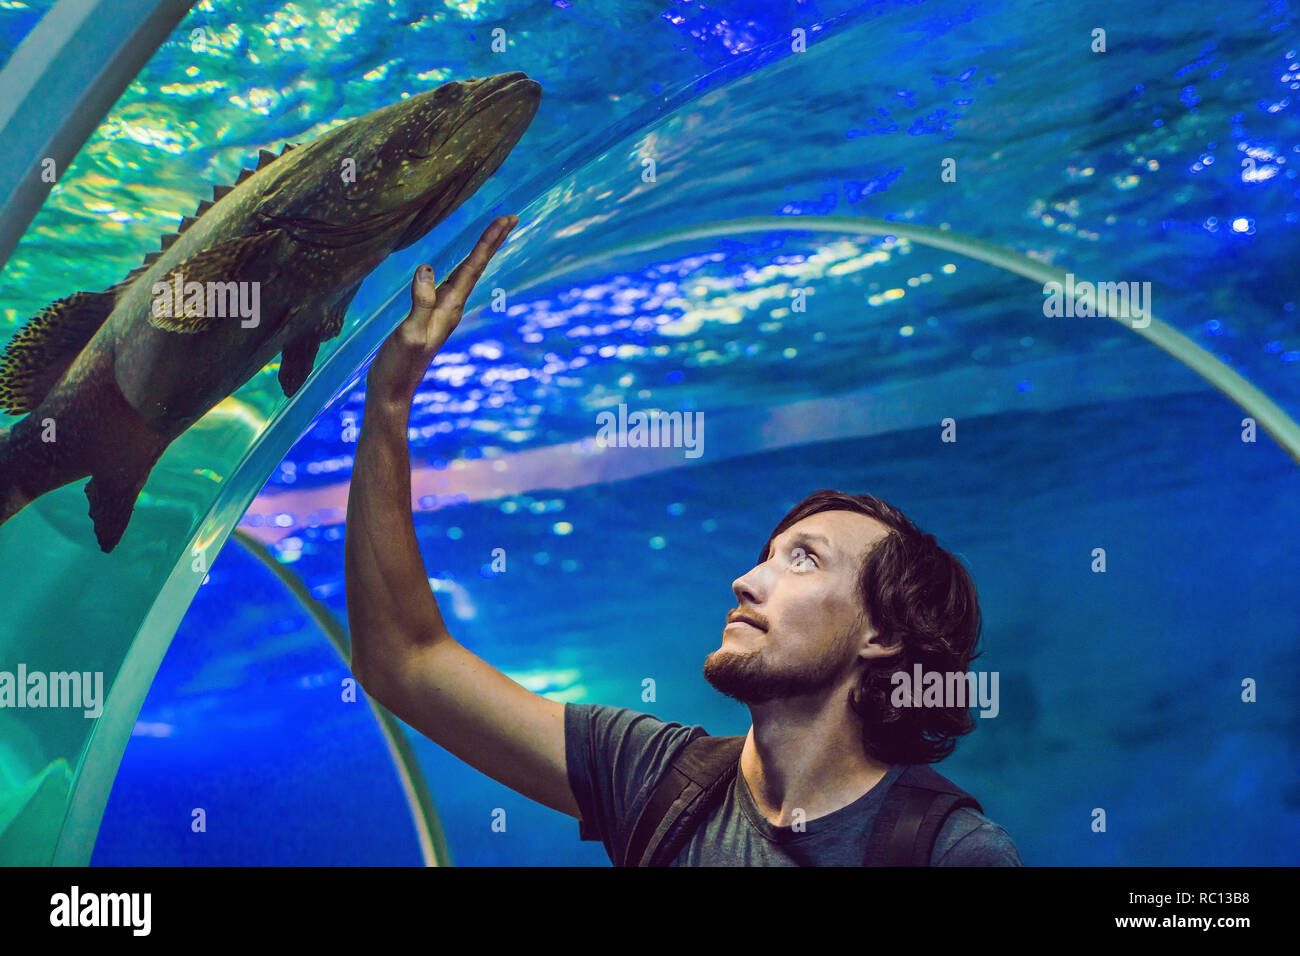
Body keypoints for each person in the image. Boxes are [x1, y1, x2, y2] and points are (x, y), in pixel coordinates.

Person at [346, 214, 1022, 866]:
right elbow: (403, 660)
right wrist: (388, 402)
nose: (747, 581)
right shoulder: (655, 780)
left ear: (880, 636)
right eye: (767, 557)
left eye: (805, 560)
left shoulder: (945, 852)